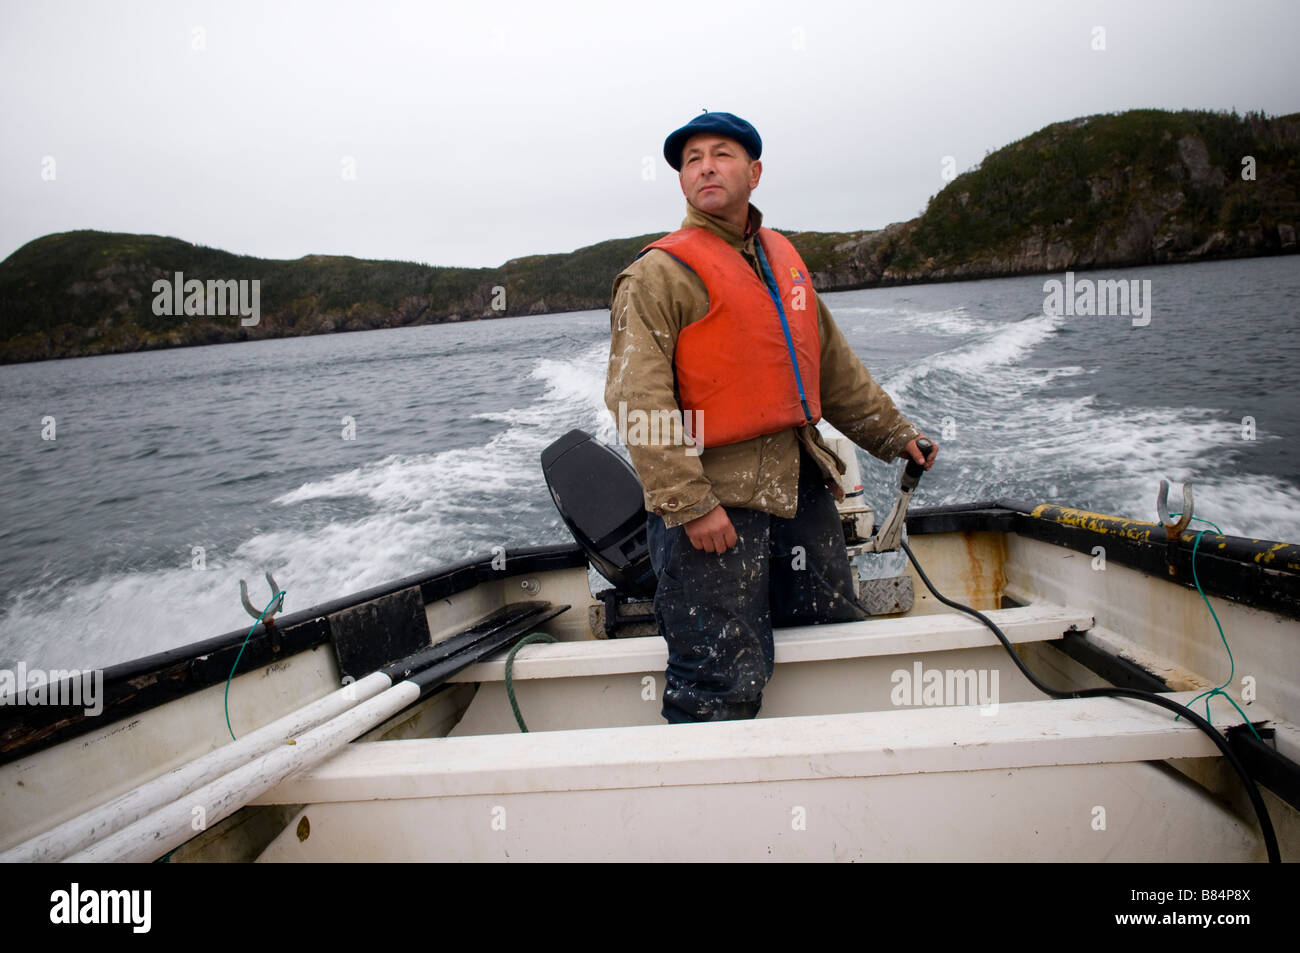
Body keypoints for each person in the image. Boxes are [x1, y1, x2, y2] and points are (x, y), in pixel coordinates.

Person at [604, 111, 937, 724]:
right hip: (713, 507)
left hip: (801, 488)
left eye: (722, 154)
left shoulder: (782, 261)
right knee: (718, 677)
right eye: (692, 158)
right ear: (682, 181)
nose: (705, 165)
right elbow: (636, 400)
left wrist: (896, 435)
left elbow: (833, 369)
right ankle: (713, 805)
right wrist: (690, 504)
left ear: (754, 172)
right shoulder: (655, 276)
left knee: (828, 642)